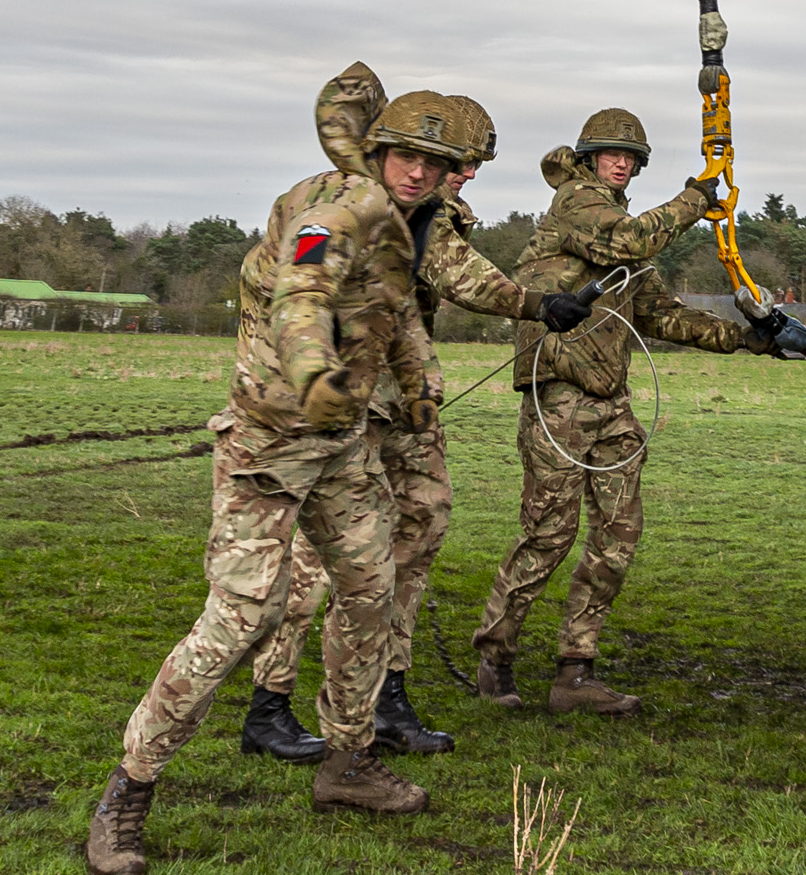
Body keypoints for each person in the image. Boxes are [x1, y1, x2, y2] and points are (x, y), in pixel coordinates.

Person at [84, 77, 448, 872]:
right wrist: (315, 372)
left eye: (436, 163)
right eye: (407, 156)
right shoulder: (330, 208)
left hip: (344, 447)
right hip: (270, 447)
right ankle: (130, 788)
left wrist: (420, 388)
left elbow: (401, 317)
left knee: (369, 593)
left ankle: (348, 763)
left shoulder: (399, 230)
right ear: (378, 148)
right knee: (241, 617)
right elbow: (303, 291)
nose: (419, 173)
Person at [244, 87, 577, 764]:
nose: (464, 174)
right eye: (460, 161)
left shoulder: (433, 210)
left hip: (404, 403)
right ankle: (268, 704)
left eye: (469, 162)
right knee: (316, 559)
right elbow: (460, 278)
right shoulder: (364, 204)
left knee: (421, 526)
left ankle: (387, 695)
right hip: (343, 401)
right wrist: (537, 302)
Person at [470, 107, 762, 715]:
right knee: (548, 536)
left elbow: (661, 314)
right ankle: (495, 656)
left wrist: (749, 336)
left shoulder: (624, 231)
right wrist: (693, 201)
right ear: (587, 159)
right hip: (559, 401)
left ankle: (576, 671)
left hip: (612, 404)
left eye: (631, 158)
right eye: (610, 154)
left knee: (617, 539)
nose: (622, 163)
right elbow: (628, 240)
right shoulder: (579, 205)